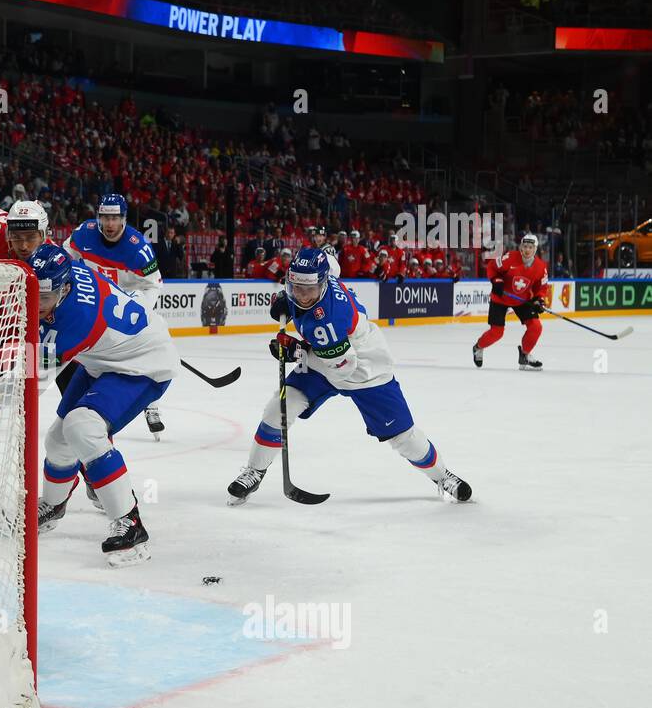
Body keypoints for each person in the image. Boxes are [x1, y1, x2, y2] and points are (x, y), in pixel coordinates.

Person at [226, 248, 472, 507]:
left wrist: (295, 351)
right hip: (327, 357)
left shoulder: (329, 321)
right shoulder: (322, 272)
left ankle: (442, 476)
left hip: (363, 369)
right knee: (279, 408)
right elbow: (330, 263)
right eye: (295, 287)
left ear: (322, 285)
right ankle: (255, 470)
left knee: (404, 437)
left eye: (308, 290)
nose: (301, 295)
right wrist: (286, 303)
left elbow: (342, 368)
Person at [28, 243, 178, 565]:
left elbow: (29, 383)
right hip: (105, 357)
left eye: (43, 298)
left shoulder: (74, 320)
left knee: (83, 427)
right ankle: (54, 505)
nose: (36, 305)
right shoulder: (65, 277)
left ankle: (130, 522)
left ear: (64, 288)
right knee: (57, 440)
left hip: (142, 364)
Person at [63, 194, 167, 439]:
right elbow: (66, 258)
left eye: (115, 218)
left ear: (124, 219)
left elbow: (154, 285)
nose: (110, 224)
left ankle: (150, 403)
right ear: (98, 217)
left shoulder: (138, 248)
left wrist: (136, 311)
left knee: (142, 355)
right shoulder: (83, 233)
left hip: (129, 305)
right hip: (97, 303)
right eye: (105, 218)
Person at [473, 233, 548, 371]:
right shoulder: (510, 257)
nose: (527, 250)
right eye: (525, 246)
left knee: (536, 327)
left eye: (530, 247)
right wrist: (496, 281)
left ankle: (524, 355)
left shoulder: (541, 267)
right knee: (497, 332)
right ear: (521, 247)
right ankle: (478, 348)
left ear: (535, 249)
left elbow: (541, 287)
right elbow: (492, 267)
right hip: (501, 297)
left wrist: (539, 300)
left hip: (522, 300)